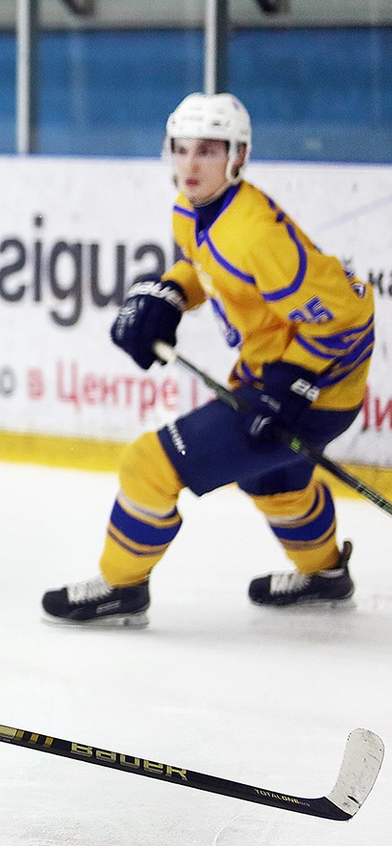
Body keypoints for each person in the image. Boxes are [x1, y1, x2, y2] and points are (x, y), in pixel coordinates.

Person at [42, 92, 375, 628]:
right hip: (277, 380)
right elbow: (204, 267)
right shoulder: (190, 211)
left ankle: (121, 588)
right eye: (182, 149)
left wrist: (289, 387)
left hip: (312, 391)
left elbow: (346, 316)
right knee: (274, 480)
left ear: (237, 157)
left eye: (209, 151)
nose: (192, 163)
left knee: (148, 465)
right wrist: (169, 294)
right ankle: (326, 576)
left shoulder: (256, 235)